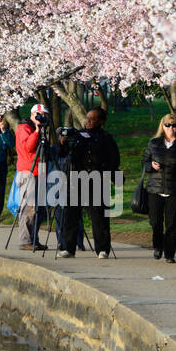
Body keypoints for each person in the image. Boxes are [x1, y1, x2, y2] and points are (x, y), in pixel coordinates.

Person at [59, 107, 121, 258]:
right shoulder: (78, 135)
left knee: (99, 216)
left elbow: (114, 159)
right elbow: (62, 153)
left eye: (92, 119)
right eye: (87, 118)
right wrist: (63, 143)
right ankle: (68, 247)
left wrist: (107, 174)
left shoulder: (106, 138)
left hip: (97, 178)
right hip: (77, 177)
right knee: (71, 214)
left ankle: (102, 249)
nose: (88, 121)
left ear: (101, 121)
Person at [141, 113, 176, 262]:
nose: (171, 128)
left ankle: (170, 254)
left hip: (173, 189)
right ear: (162, 126)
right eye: (168, 125)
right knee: (155, 222)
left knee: (172, 223)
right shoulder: (153, 143)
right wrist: (150, 165)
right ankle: (158, 246)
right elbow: (144, 162)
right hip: (154, 189)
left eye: (174, 125)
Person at [14, 104, 50, 251]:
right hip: (28, 172)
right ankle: (25, 240)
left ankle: (33, 238)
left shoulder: (39, 129)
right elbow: (29, 147)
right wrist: (36, 131)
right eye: (39, 114)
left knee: (39, 208)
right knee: (30, 207)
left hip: (39, 170)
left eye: (44, 115)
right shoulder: (24, 128)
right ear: (33, 114)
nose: (42, 118)